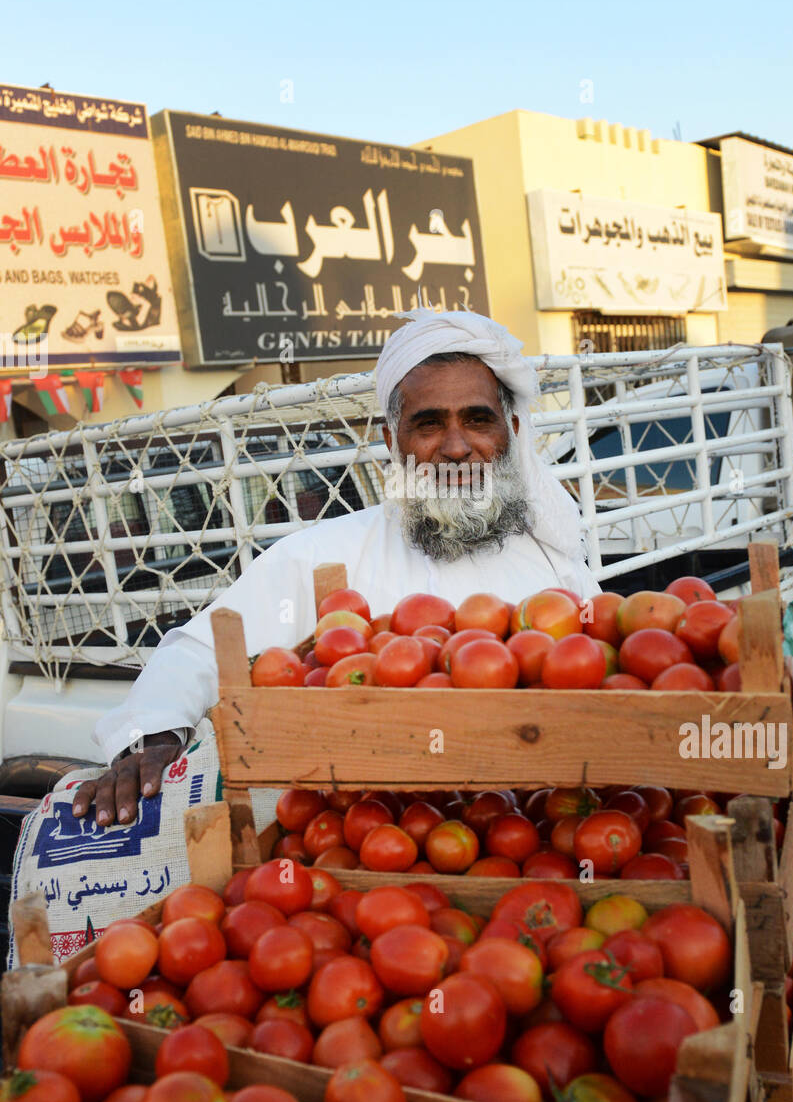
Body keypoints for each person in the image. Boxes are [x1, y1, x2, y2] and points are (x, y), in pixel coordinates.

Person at [74, 309, 600, 826]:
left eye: (478, 420)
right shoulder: (324, 554)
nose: (458, 447)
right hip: (377, 836)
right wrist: (153, 736)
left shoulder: (555, 567)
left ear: (509, 429)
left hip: (535, 831)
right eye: (429, 424)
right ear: (394, 443)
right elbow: (198, 652)